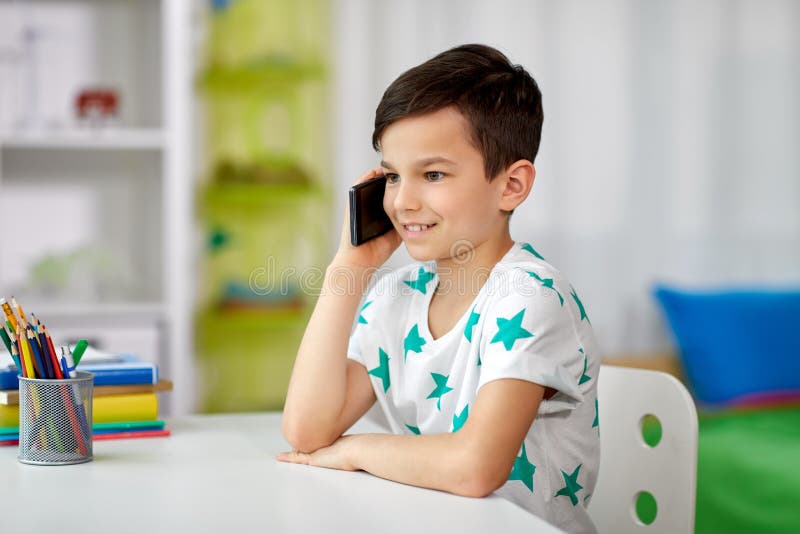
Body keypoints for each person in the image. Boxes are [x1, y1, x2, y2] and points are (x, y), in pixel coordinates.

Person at [278, 43, 600, 533]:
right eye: (390, 176)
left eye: (432, 174)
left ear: (511, 186)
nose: (403, 201)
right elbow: (306, 431)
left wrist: (357, 449)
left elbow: (475, 468)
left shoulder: (530, 296)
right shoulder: (396, 295)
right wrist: (349, 267)